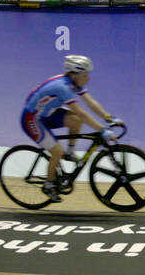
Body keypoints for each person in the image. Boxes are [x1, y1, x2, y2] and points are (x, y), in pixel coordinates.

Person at [20, 55, 120, 202]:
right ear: (74, 74)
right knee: (57, 151)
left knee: (76, 120)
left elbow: (90, 103)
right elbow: (82, 112)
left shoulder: (74, 82)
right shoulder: (63, 88)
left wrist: (108, 117)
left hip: (47, 113)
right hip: (32, 119)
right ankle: (48, 185)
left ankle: (70, 152)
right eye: (85, 75)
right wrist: (102, 129)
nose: (88, 79)